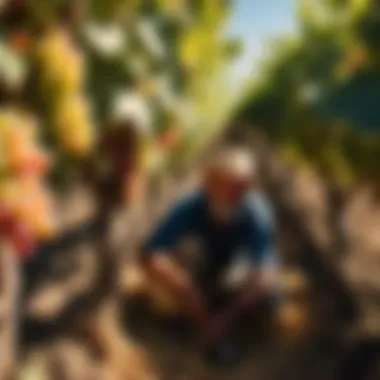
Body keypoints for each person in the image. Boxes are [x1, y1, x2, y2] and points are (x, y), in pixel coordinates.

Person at [139, 146, 281, 367]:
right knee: (182, 259)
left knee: (269, 295)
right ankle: (198, 321)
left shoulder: (256, 212)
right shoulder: (190, 205)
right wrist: (184, 287)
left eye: (238, 186)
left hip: (238, 275)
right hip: (205, 269)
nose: (230, 191)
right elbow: (150, 253)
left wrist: (225, 318)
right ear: (209, 180)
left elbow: (263, 274)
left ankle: (238, 329)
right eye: (223, 182)